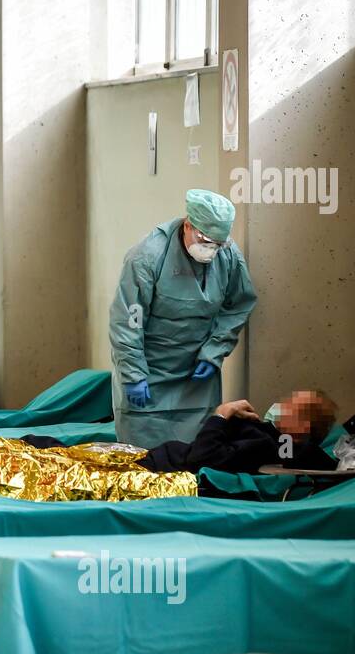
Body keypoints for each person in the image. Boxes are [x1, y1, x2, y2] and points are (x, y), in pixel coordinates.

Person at [108, 189, 257, 449]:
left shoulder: (228, 255)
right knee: (145, 461)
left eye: (218, 244)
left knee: (196, 454)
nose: (211, 250)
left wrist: (214, 351)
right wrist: (133, 374)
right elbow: (128, 321)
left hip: (197, 377)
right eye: (205, 240)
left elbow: (238, 306)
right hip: (149, 372)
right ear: (188, 225)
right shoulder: (148, 256)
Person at [137, 390, 338, 474]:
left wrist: (221, 416)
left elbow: (201, 460)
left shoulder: (265, 443)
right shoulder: (266, 435)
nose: (279, 407)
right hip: (158, 458)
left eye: (288, 407)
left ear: (301, 427)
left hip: (157, 467)